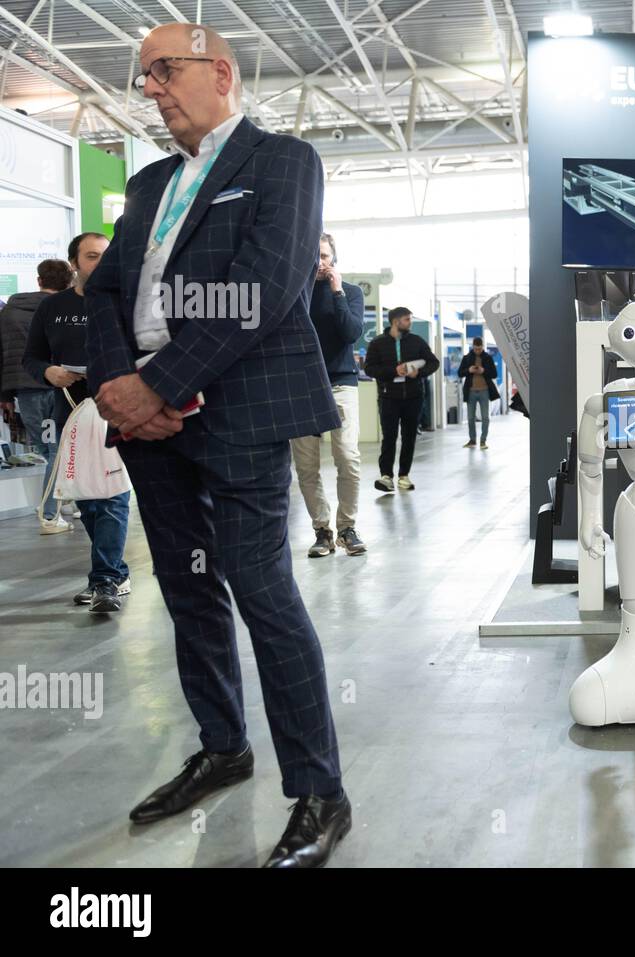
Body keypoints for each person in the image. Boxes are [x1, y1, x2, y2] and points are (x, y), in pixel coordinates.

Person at [84, 24, 350, 866]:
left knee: (262, 587)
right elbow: (105, 295)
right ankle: (223, 745)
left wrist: (159, 384)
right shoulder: (149, 180)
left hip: (238, 407)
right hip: (150, 421)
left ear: (221, 73)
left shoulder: (282, 162)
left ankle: (319, 790)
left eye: (165, 71)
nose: (153, 89)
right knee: (190, 590)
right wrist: (116, 387)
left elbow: (265, 289)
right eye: (145, 78)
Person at [24, 234, 133, 612]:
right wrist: (48, 371)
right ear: (74, 262)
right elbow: (32, 358)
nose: (99, 263)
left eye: (105, 256)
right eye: (91, 256)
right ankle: (116, 572)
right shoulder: (52, 307)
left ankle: (104, 581)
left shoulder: (127, 303)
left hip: (117, 412)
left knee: (113, 496)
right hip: (69, 411)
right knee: (86, 500)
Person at [289, 234, 366, 558]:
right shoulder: (295, 293)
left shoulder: (350, 292)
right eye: (314, 256)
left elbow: (351, 332)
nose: (319, 262)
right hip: (302, 385)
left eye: (324, 256)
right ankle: (322, 530)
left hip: (341, 383)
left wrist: (335, 292)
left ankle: (347, 527)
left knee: (347, 458)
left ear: (334, 258)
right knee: (306, 466)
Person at [1, 258, 72, 532]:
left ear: (39, 280)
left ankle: (62, 498)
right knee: (55, 449)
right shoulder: (65, 309)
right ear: (67, 282)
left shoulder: (10, 311)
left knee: (49, 447)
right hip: (61, 389)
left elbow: (3, 355)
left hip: (27, 390)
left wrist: (5, 394)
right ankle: (51, 510)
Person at [364, 306, 437, 491]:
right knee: (389, 437)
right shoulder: (377, 343)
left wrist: (419, 373)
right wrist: (392, 371)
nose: (410, 323)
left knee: (409, 437)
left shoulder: (417, 341)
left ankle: (404, 475)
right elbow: (370, 369)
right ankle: (386, 476)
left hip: (413, 397)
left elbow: (433, 362)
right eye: (407, 319)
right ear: (396, 321)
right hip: (388, 397)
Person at [457, 336, 499, 449]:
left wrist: (483, 371)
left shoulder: (488, 358)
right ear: (472, 347)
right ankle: (472, 440)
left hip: (484, 391)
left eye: (479, 349)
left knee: (485, 417)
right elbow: (460, 373)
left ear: (482, 347)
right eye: (476, 349)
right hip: (470, 391)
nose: (477, 351)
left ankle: (483, 441)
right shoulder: (466, 358)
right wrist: (469, 370)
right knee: (470, 418)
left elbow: (494, 374)